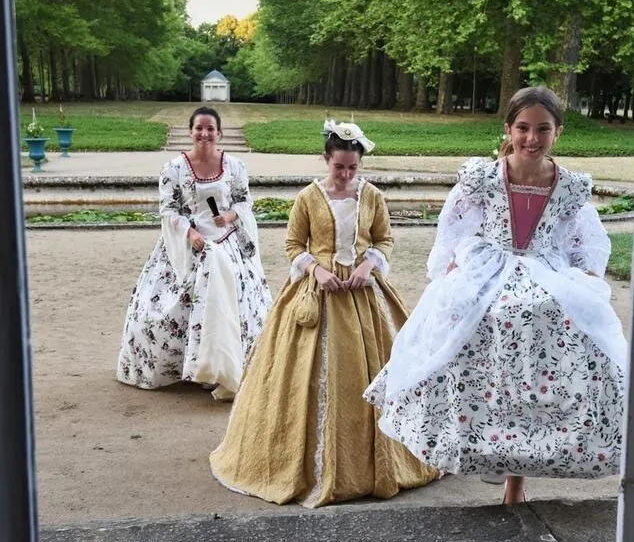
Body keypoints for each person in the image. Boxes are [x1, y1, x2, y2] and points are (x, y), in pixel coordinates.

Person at [365, 86, 628, 505]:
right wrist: (451, 264)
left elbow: (587, 239)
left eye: (543, 129)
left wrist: (587, 274)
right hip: (491, 265)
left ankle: (522, 474)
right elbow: (454, 225)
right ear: (508, 129)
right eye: (523, 128)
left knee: (560, 318)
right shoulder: (484, 178)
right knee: (471, 316)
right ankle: (484, 444)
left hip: (545, 268)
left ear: (558, 132)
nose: (531, 138)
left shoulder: (569, 187)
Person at [209, 120, 438, 507]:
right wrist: (316, 270)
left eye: (352, 167)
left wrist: (368, 265)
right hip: (317, 292)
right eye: (339, 167)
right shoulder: (308, 197)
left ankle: (377, 459)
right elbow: (293, 244)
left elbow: (384, 238)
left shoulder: (372, 196)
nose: (346, 174)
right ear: (326, 160)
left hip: (364, 295)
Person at [116, 106, 271, 400]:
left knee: (236, 296)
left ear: (219, 133)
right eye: (199, 128)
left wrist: (229, 217)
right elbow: (168, 210)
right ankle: (186, 366)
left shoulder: (235, 166)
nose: (204, 133)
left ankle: (223, 365)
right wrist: (190, 233)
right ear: (190, 131)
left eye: (210, 128)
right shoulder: (173, 169)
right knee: (171, 303)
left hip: (227, 242)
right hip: (190, 242)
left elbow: (244, 202)